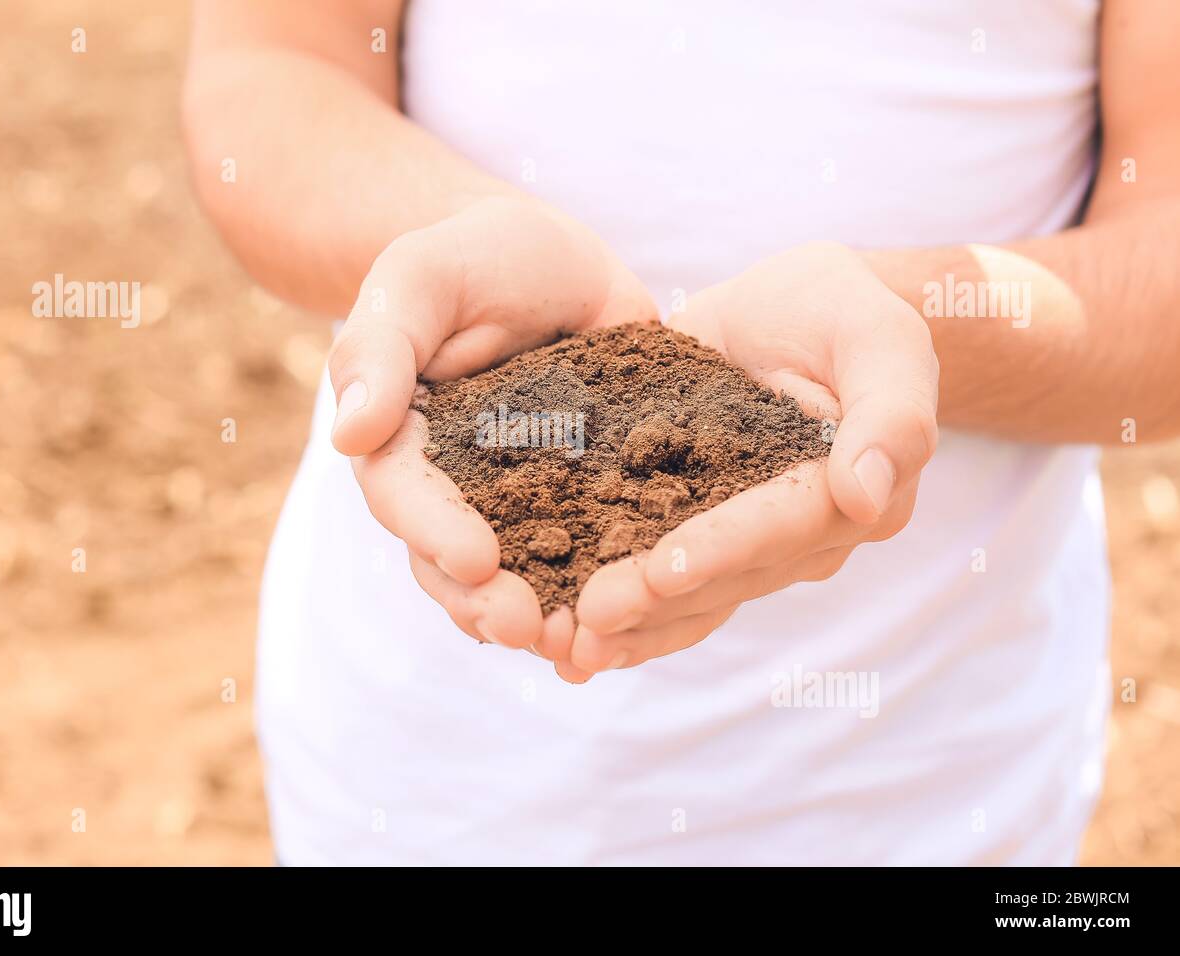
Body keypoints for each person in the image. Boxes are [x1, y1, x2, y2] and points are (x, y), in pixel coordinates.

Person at [183, 0, 1180, 864]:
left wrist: (907, 324)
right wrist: (453, 244)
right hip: (421, 789)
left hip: (932, 798)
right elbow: (272, 66)